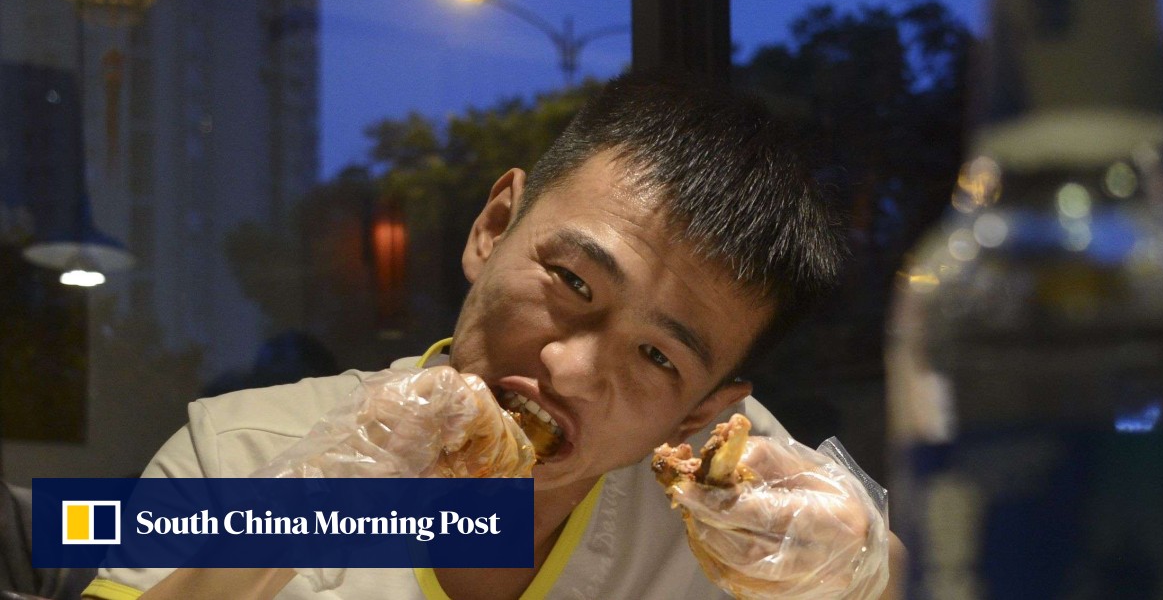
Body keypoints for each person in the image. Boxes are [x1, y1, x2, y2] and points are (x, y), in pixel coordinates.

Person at [83, 71, 901, 599]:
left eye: (657, 356)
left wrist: (860, 568)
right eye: (574, 283)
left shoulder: (723, 505)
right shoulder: (237, 450)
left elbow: (896, 574)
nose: (570, 369)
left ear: (697, 413)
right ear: (494, 225)